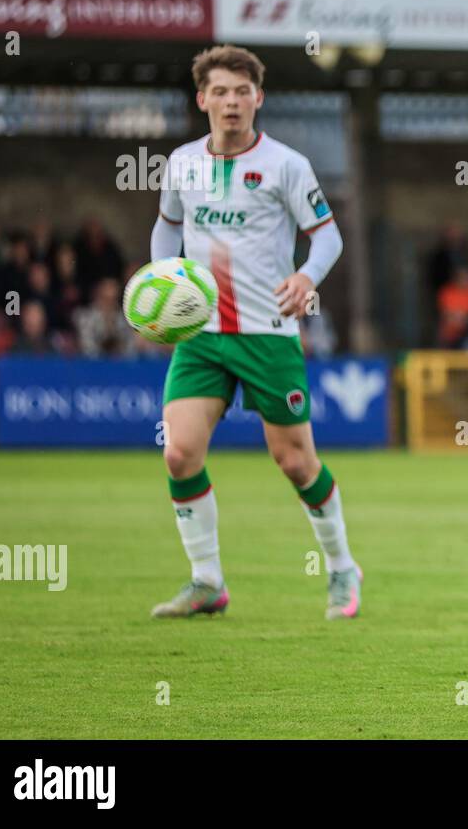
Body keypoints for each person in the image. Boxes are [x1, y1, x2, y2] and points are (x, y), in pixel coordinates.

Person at [148, 44, 356, 620]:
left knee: (294, 462)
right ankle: (207, 582)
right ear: (202, 99)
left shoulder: (286, 164)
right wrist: (165, 288)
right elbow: (166, 231)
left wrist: (307, 277)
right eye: (221, 91)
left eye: (242, 92)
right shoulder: (183, 163)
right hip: (202, 334)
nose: (232, 102)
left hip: (268, 332)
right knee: (180, 454)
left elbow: (328, 237)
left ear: (258, 98)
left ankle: (342, 568)